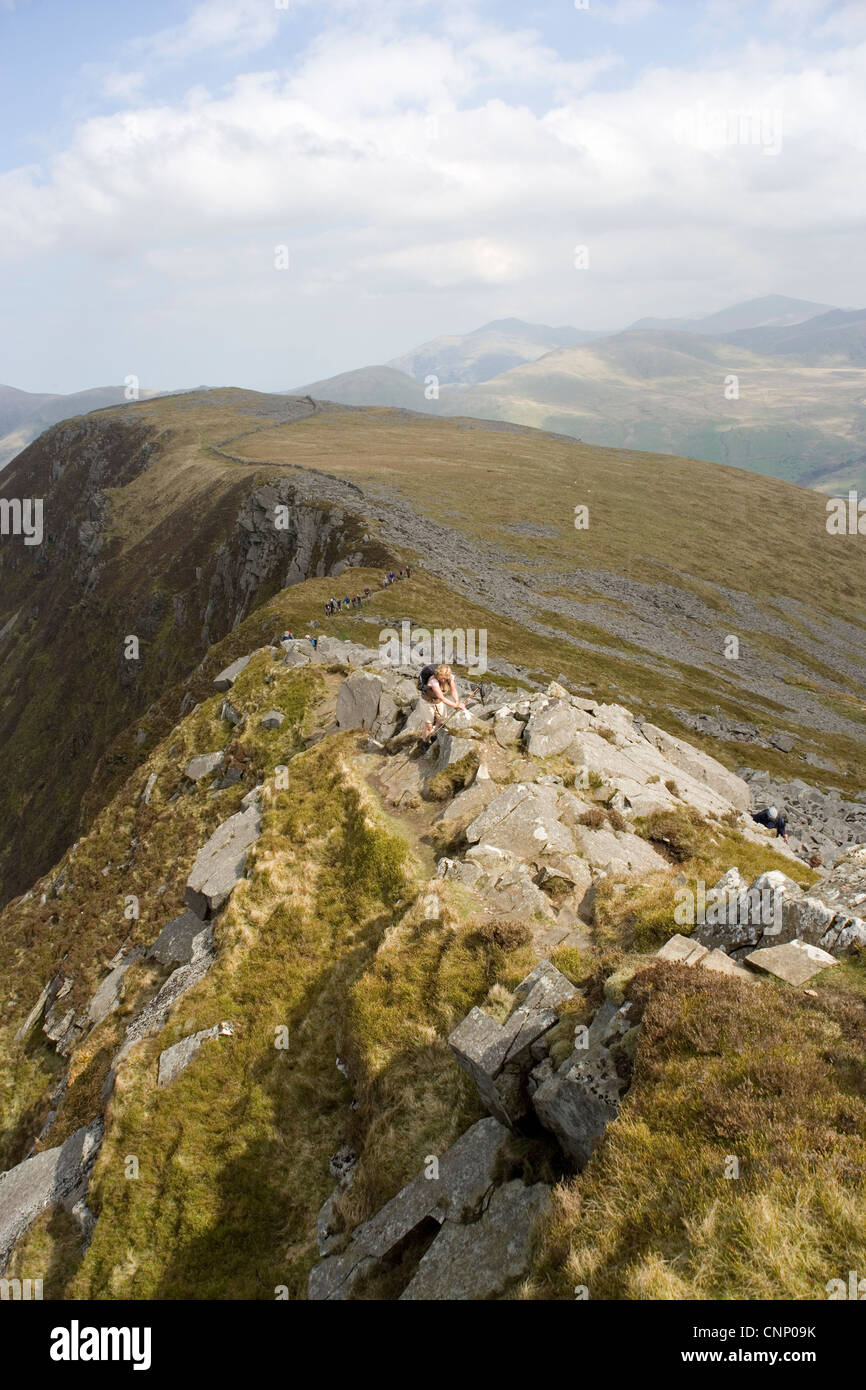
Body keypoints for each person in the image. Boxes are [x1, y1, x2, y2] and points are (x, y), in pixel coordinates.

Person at [418, 662, 466, 744]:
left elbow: (453, 690)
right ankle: (425, 742)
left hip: (438, 702)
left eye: (445, 678)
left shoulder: (450, 678)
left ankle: (434, 734)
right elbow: (441, 697)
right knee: (429, 726)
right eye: (441, 677)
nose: (443, 680)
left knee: (441, 721)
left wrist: (457, 701)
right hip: (427, 703)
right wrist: (455, 706)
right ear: (438, 674)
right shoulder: (433, 681)